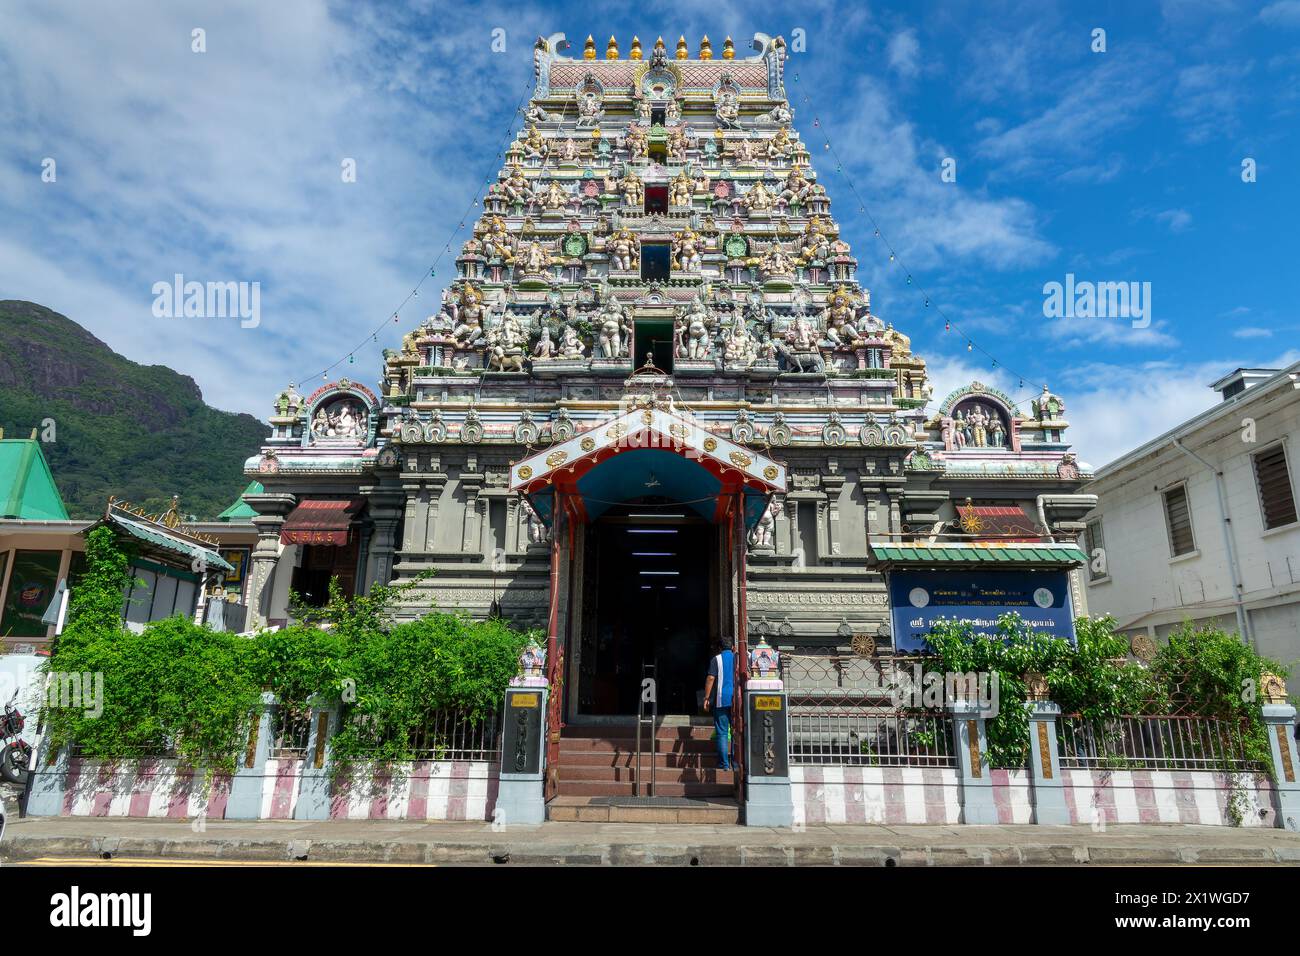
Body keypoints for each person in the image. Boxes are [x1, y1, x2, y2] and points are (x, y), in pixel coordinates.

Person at [702, 636, 735, 771]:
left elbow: (710, 678)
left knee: (722, 732)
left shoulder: (716, 659)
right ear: (733, 647)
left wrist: (706, 698)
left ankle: (724, 764)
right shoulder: (738, 658)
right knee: (736, 731)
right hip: (736, 700)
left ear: (720, 648)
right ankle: (736, 761)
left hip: (721, 699)